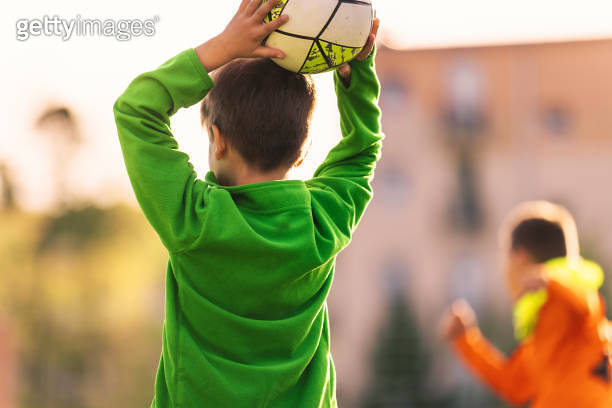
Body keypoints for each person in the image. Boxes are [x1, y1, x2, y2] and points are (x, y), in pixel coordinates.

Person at [113, 1, 382, 406]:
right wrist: (356, 70)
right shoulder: (320, 221)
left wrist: (222, 47)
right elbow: (362, 150)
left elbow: (135, 110)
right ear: (302, 151)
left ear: (218, 140)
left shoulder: (195, 220)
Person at [441, 201, 612, 407]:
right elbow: (514, 385)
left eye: (505, 259)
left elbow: (585, 304)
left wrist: (551, 281)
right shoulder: (540, 325)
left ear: (519, 259)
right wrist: (465, 340)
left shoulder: (569, 300)